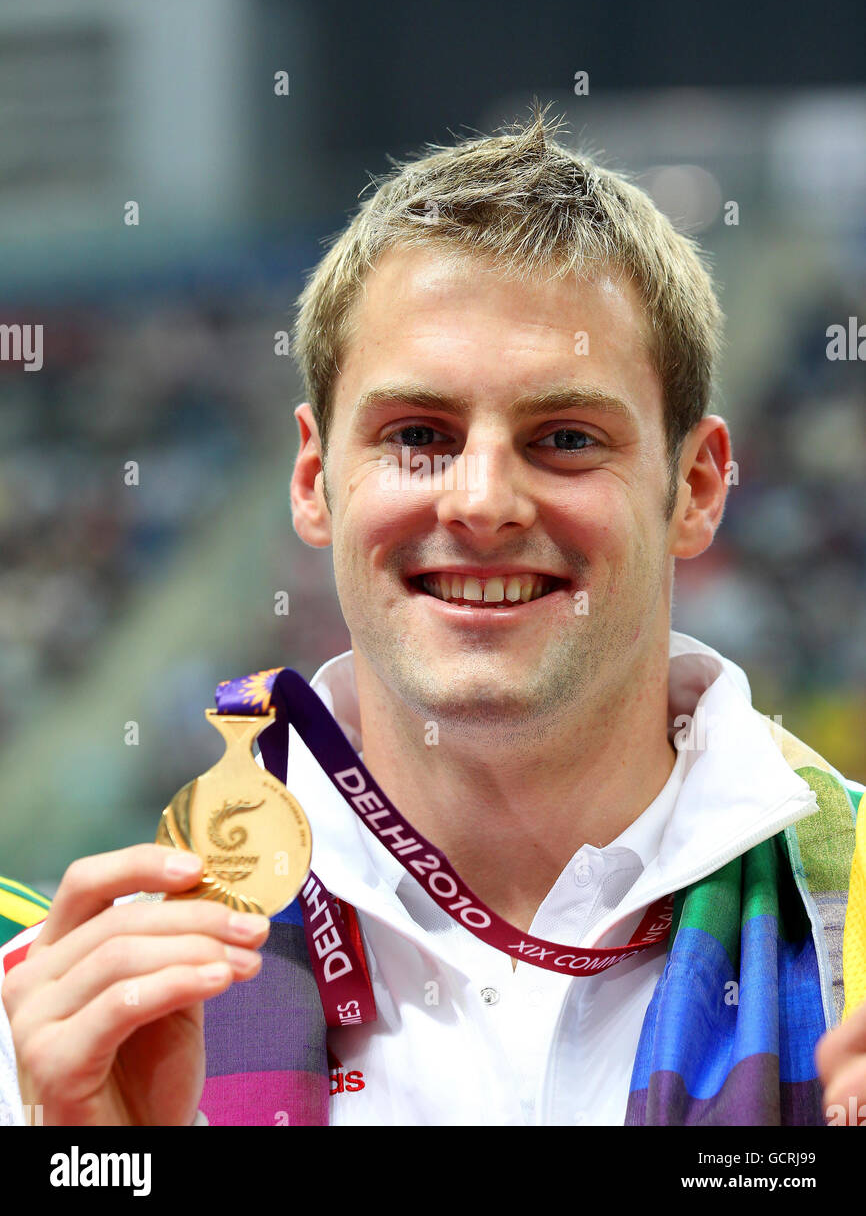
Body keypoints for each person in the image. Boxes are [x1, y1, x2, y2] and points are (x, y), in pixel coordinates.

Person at [2, 106, 865, 1127]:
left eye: (565, 436)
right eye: (418, 432)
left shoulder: (846, 921)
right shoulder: (67, 1021)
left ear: (697, 488)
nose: (481, 500)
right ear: (316, 480)